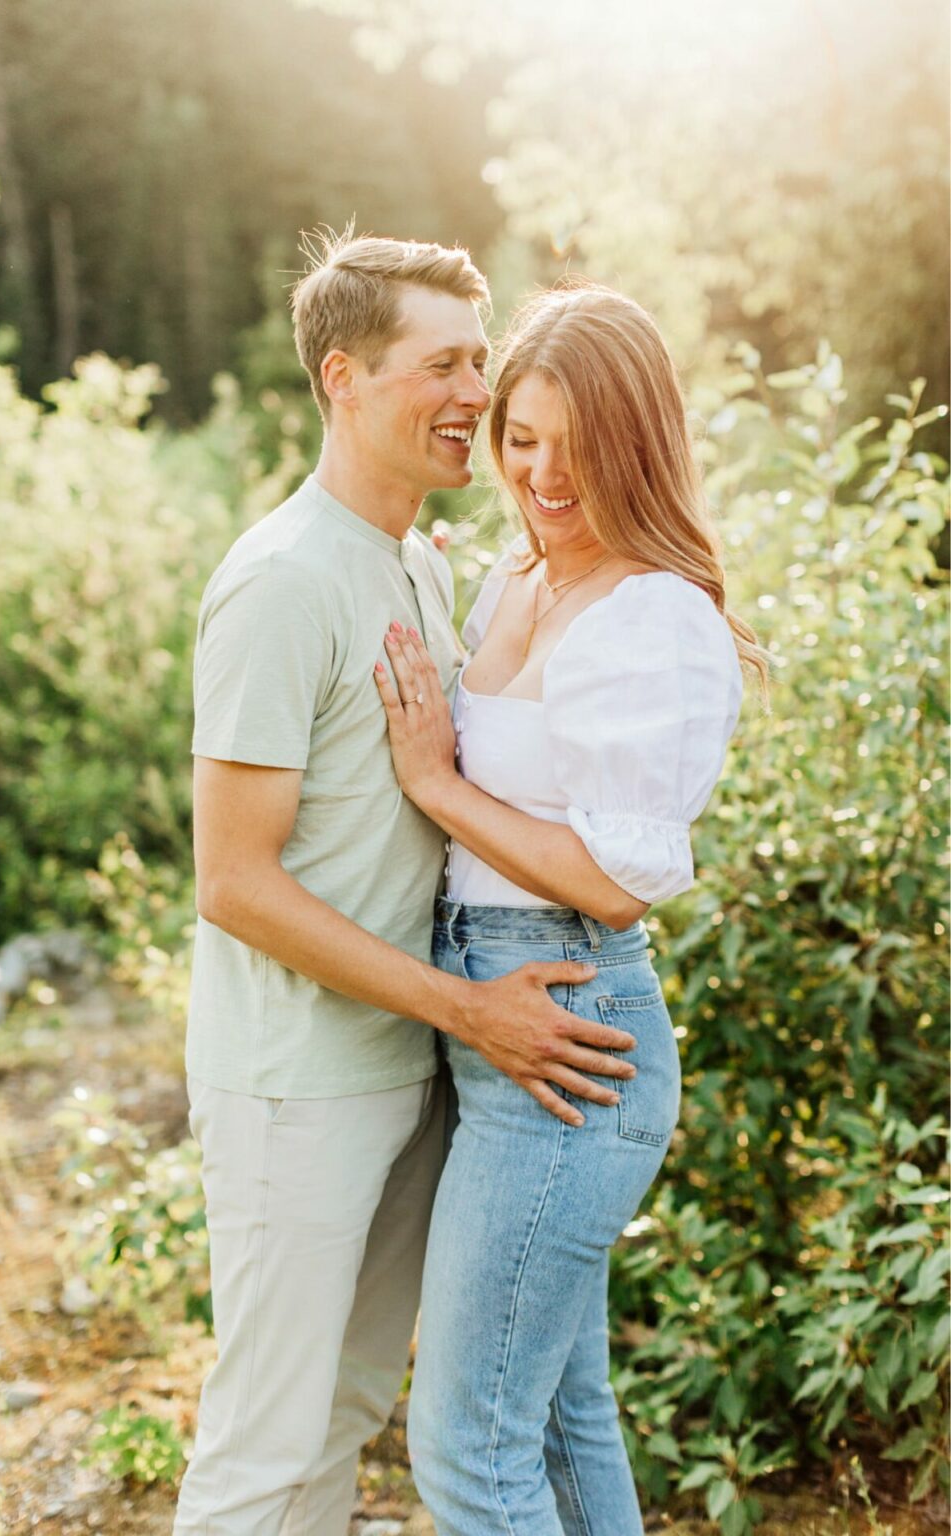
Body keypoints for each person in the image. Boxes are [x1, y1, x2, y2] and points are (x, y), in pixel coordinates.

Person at [173, 238, 642, 1536]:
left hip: (413, 1065)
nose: (473, 392)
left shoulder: (422, 565)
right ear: (342, 377)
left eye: (478, 361)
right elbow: (234, 883)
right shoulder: (278, 583)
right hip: (297, 1081)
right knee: (265, 1447)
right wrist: (469, 1006)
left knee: (346, 1410)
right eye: (440, 363)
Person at [374, 280, 766, 1535]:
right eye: (520, 438)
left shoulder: (649, 614)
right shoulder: (520, 574)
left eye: (574, 445)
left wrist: (432, 782)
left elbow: (611, 873)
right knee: (549, 1415)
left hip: (569, 1035)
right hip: (503, 1023)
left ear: (637, 441)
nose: (542, 474)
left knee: (465, 1449)